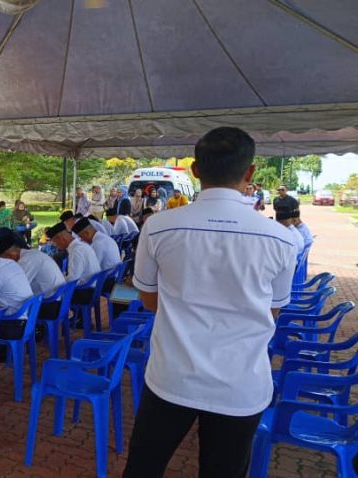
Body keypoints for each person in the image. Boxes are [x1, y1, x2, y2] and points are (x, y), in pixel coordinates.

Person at [123, 127, 296, 478]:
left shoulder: (158, 227)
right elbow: (273, 310)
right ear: (250, 172)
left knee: (143, 468)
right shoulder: (281, 238)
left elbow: (148, 297)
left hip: (172, 376)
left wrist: (183, 308)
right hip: (240, 383)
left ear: (195, 169)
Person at [0, 234, 65, 318]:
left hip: (49, 304)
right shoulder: (33, 253)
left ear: (10, 255)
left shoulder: (27, 261)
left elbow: (17, 287)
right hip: (57, 299)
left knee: (2, 310)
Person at [47, 222, 101, 304]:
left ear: (61, 238)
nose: (56, 247)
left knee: (49, 296)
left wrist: (55, 283)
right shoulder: (82, 245)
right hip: (93, 288)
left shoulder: (76, 251)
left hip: (86, 292)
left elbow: (73, 279)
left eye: (55, 243)